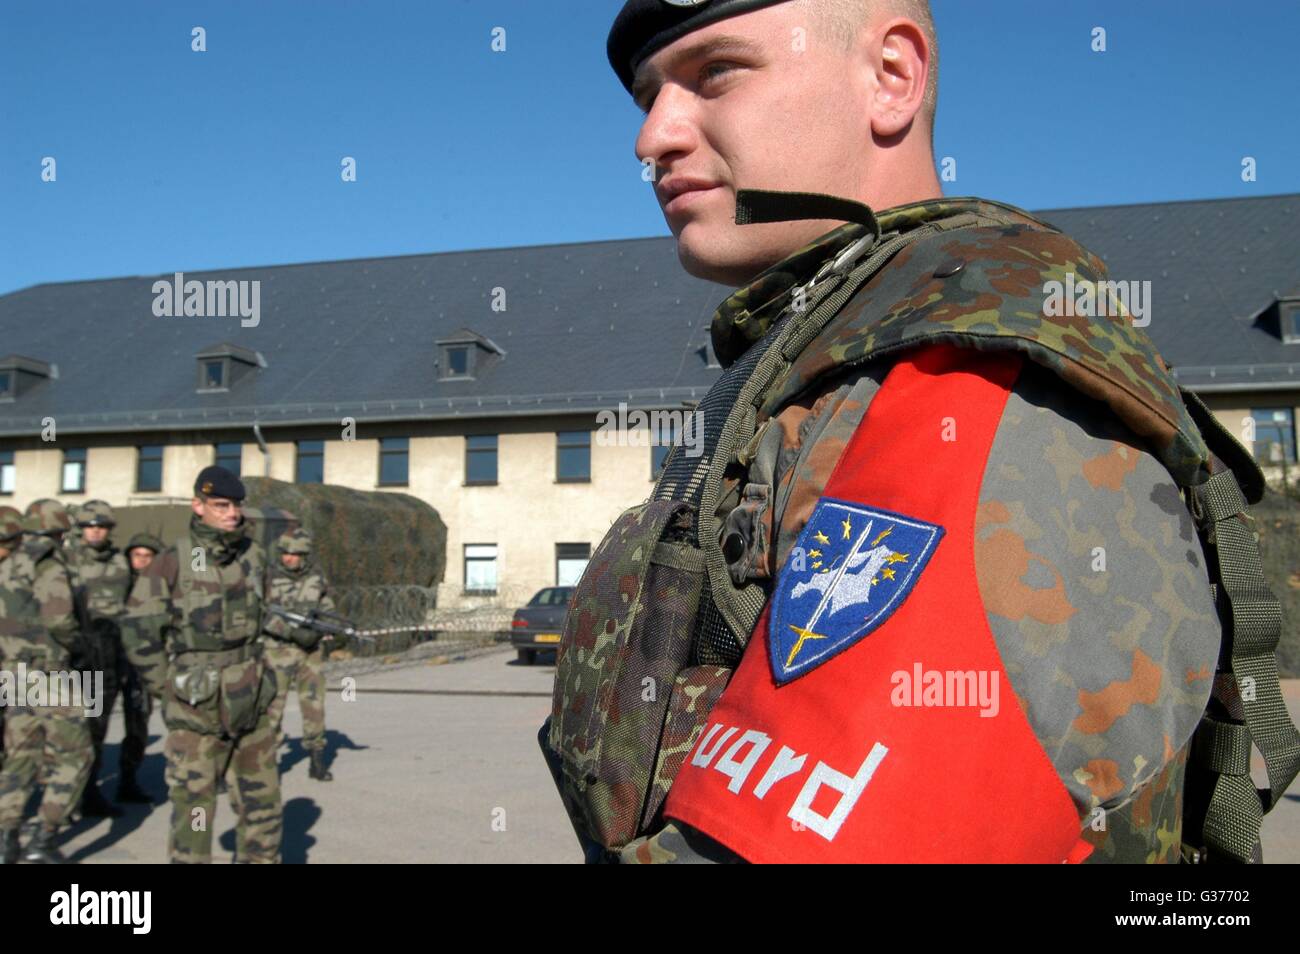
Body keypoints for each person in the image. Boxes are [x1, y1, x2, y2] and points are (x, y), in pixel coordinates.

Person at [542, 0, 1297, 863]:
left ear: (892, 78)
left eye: (716, 73)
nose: (653, 138)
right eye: (647, 98)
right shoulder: (818, 358)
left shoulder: (965, 375)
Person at [120, 466, 282, 863]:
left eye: (237, 506)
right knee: (196, 810)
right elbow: (140, 633)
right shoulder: (178, 558)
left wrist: (270, 678)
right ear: (198, 506)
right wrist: (169, 690)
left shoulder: (253, 555)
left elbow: (272, 617)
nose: (232, 514)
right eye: (221, 505)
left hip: (251, 700)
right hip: (195, 708)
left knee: (262, 807)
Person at [0, 500, 93, 864]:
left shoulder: (9, 564)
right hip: (49, 673)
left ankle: (6, 839)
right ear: (59, 530)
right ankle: (44, 835)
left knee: (21, 756)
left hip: (14, 673)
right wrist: (79, 645)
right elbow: (59, 620)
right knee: (77, 753)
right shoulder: (49, 563)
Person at [65, 500, 134, 817]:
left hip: (109, 653)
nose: (95, 531)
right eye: (90, 526)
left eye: (101, 526)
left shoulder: (122, 562)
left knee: (97, 727)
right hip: (73, 654)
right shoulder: (65, 562)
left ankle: (88, 793)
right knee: (61, 731)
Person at [262, 527, 335, 781]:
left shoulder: (316, 576)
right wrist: (290, 633)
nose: (289, 558)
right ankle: (267, 765)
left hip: (310, 653)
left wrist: (324, 630)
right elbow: (261, 614)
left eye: (295, 554)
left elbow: (326, 605)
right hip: (277, 651)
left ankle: (317, 759)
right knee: (272, 708)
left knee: (314, 705)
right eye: (285, 553)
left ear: (304, 555)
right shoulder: (267, 576)